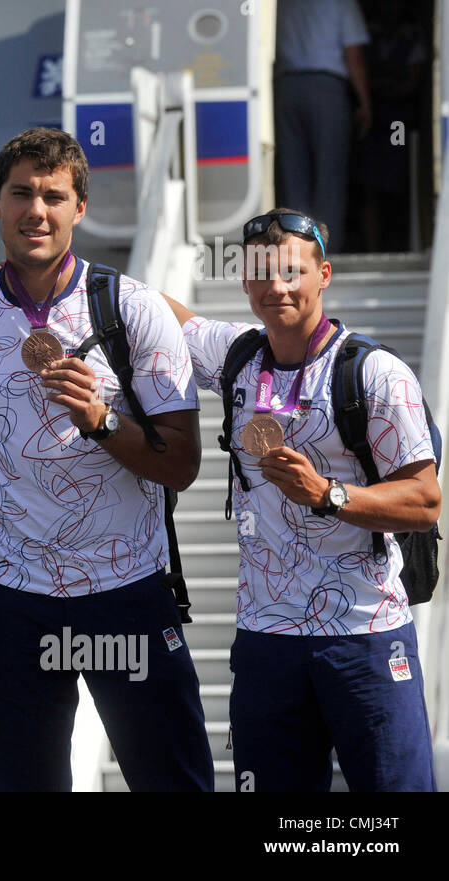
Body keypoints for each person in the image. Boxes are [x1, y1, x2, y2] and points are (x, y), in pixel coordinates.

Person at [0, 127, 214, 791]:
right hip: (16, 599)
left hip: (128, 591)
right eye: (21, 193)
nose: (37, 210)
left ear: (79, 208)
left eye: (54, 196)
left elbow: (182, 465)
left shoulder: (134, 310)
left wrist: (101, 421)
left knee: (173, 782)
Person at [164, 208, 439, 791]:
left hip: (364, 634)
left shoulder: (375, 373)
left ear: (324, 275)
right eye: (261, 272)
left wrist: (327, 493)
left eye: (292, 271)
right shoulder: (237, 356)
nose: (277, 286)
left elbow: (425, 501)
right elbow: (163, 312)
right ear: (245, 282)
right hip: (267, 640)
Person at [274, 0, 371, 252]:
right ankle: (325, 254)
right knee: (329, 176)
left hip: (286, 87)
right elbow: (355, 54)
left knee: (293, 175)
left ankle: (295, 251)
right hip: (327, 89)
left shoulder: (282, 4)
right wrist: (365, 102)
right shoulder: (342, 3)